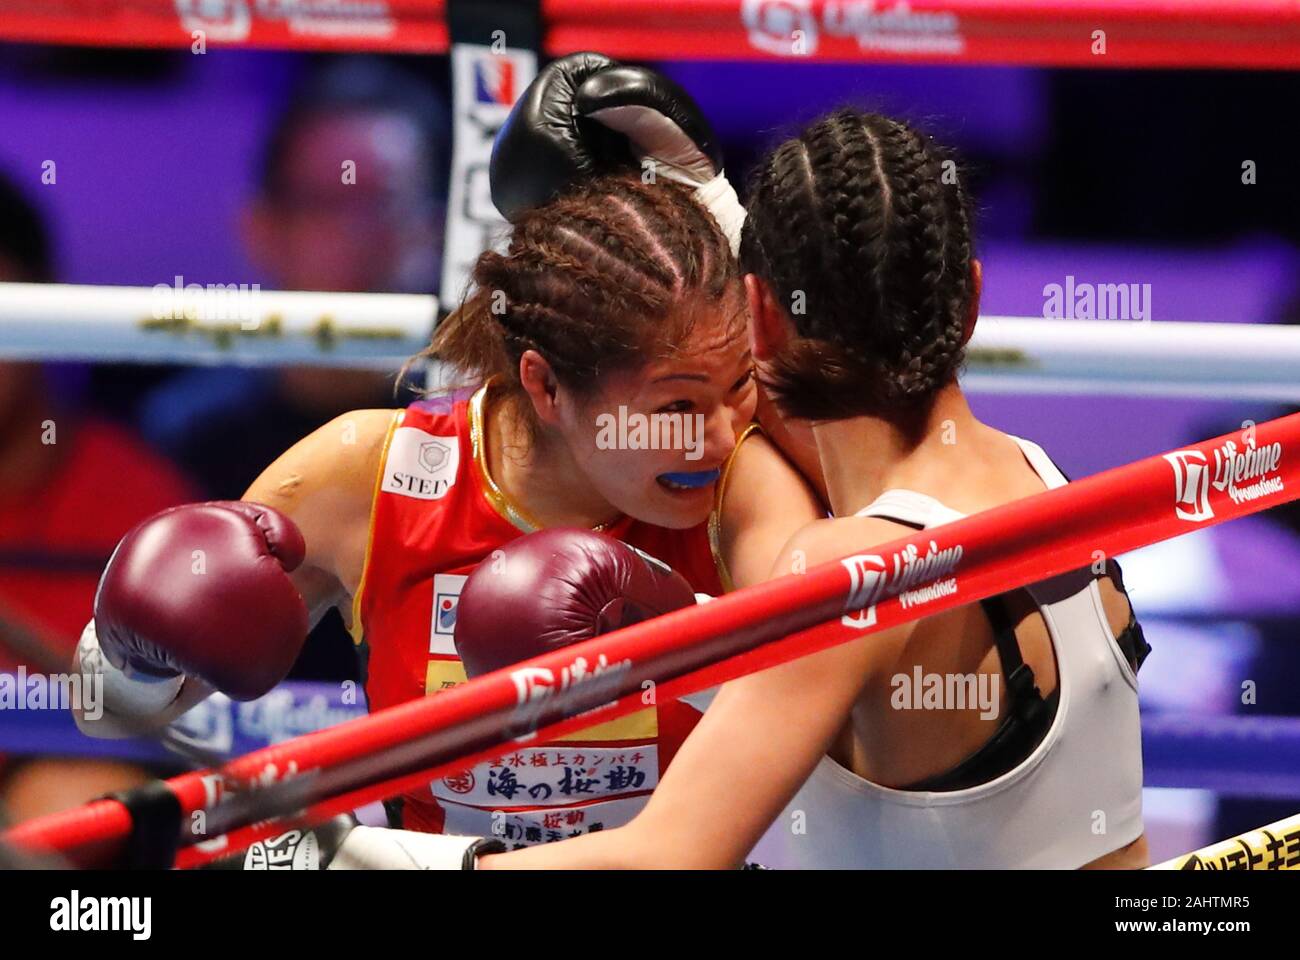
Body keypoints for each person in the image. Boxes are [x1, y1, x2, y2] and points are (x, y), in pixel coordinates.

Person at [71, 164, 823, 854]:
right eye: (679, 406)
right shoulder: (372, 473)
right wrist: (135, 650)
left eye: (738, 386)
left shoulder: (743, 484)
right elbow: (100, 710)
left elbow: (838, 702)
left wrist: (666, 632)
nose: (722, 434)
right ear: (548, 387)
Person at [476, 106, 1151, 870]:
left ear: (757, 320)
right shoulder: (1042, 479)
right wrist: (717, 212)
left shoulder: (849, 577)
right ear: (969, 302)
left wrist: (355, 857)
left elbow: (661, 860)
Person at [0, 173, 196, 824]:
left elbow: (172, 727)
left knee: (75, 798)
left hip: (47, 806)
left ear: (44, 310)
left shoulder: (142, 506)